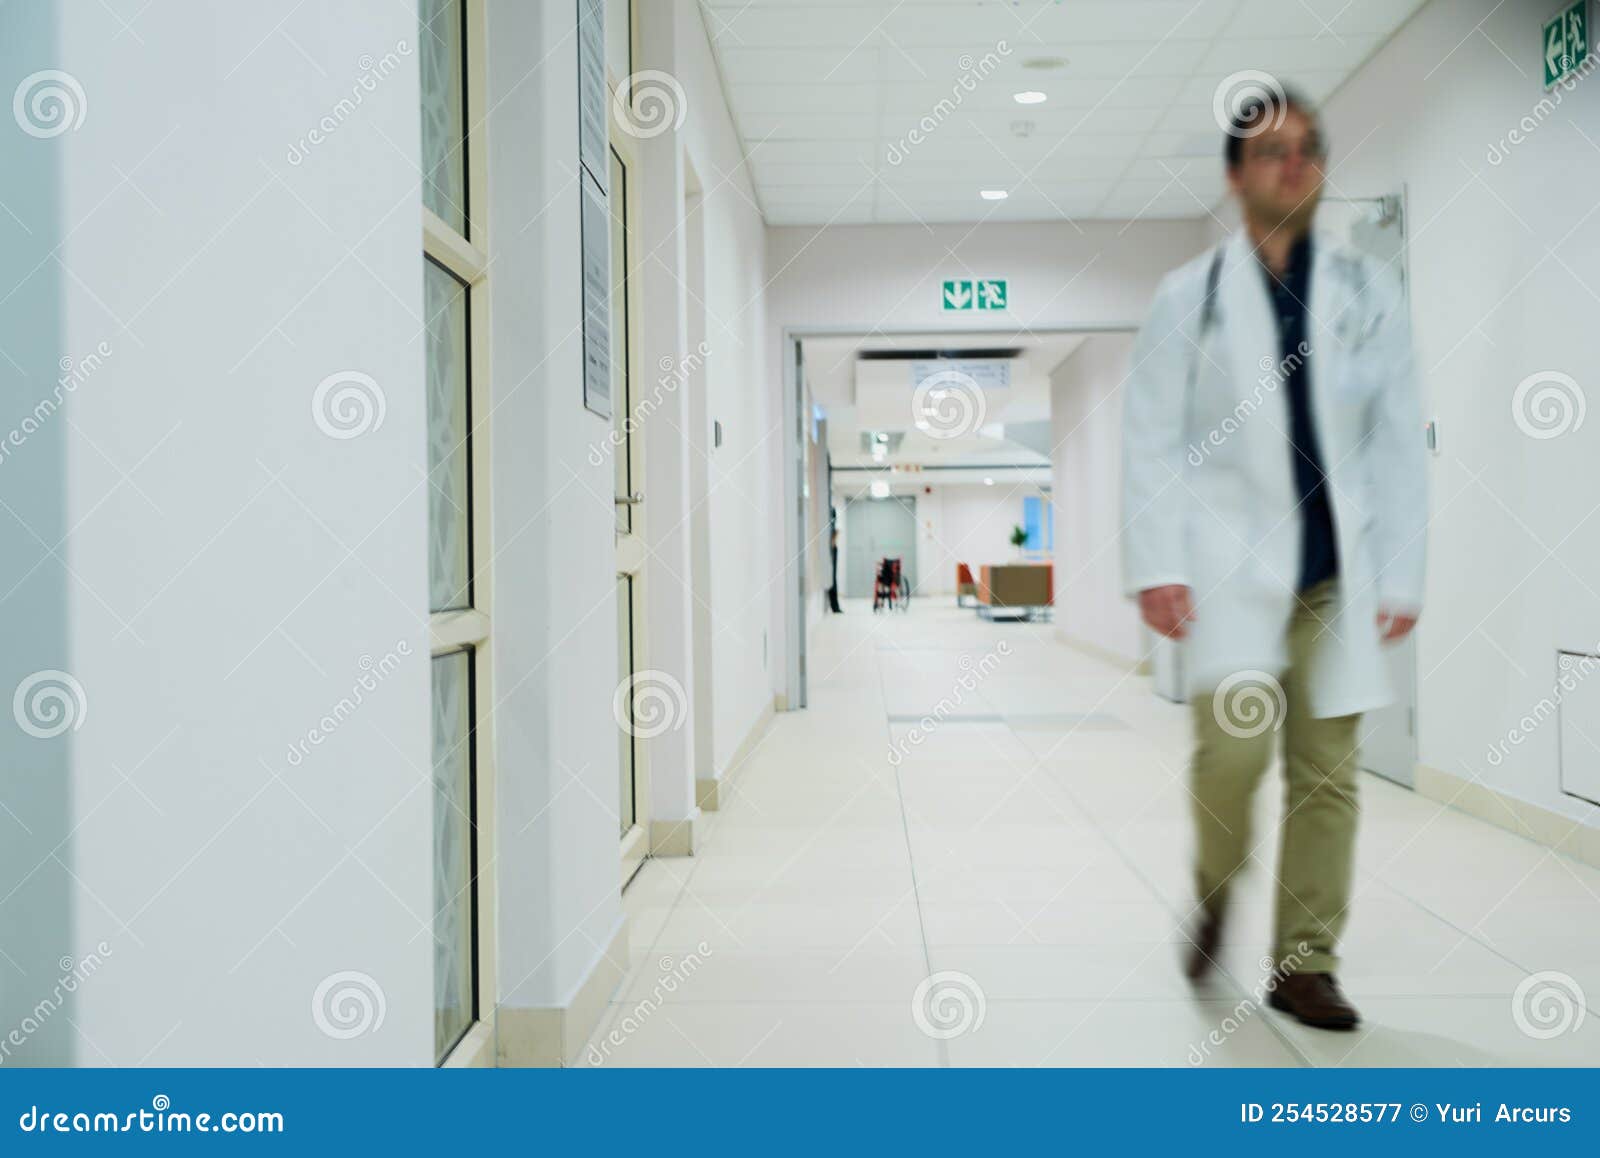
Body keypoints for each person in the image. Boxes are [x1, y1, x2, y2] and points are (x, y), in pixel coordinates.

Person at [1119, 85, 1427, 1030]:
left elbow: (1394, 436)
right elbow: (1150, 437)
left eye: (1308, 150)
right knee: (1233, 758)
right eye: (1271, 152)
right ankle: (1215, 886)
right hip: (1229, 569)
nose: (1293, 166)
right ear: (1235, 175)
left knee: (1329, 774)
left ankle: (1305, 963)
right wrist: (1156, 563)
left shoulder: (1368, 291)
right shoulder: (1190, 297)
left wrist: (1404, 569)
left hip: (1339, 573)